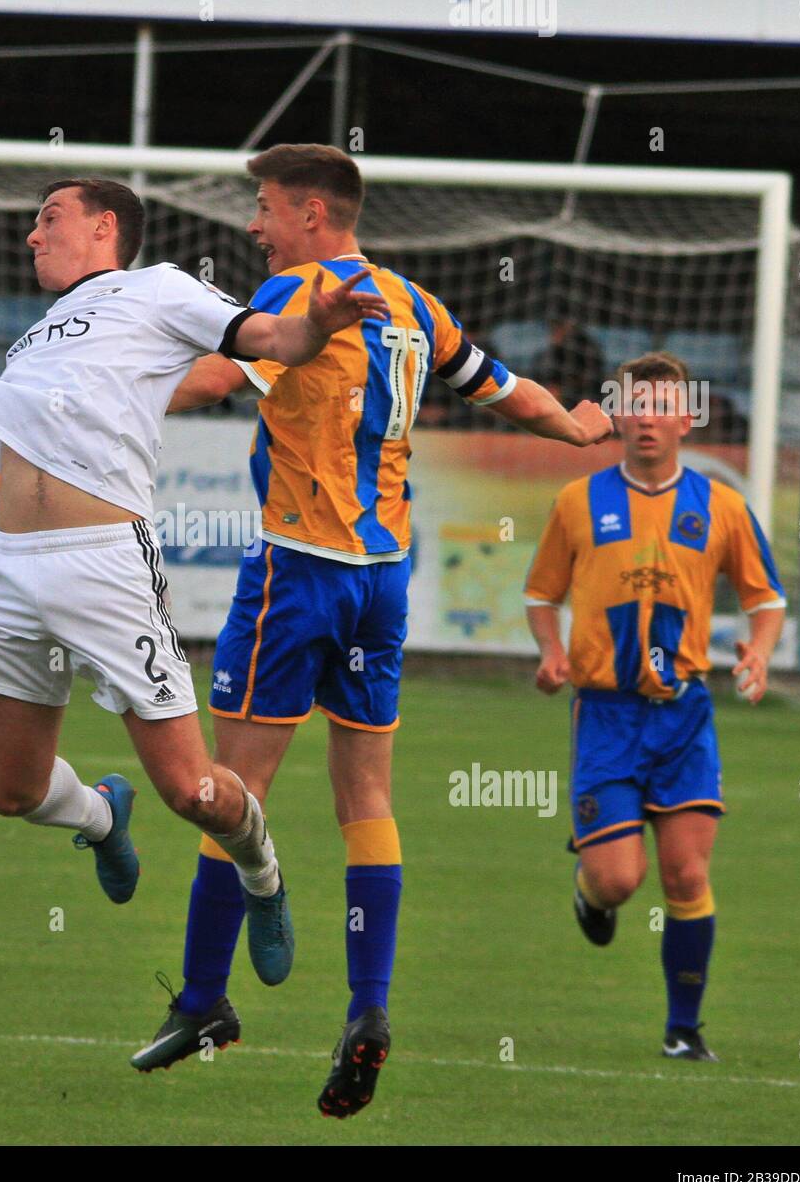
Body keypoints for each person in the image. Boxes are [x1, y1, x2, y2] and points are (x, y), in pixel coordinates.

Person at [134, 143, 613, 1119]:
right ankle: (366, 1007)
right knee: (365, 795)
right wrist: (573, 425)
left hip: (296, 573)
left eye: (265, 207)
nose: (254, 225)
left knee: (226, 790)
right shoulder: (413, 303)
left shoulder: (298, 290)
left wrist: (103, 384)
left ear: (312, 214)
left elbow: (214, 382)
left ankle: (203, 998)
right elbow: (506, 387)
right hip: (383, 579)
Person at [0, 177, 390, 994]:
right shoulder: (34, 340)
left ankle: (262, 873)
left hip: (104, 561)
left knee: (193, 789)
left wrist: (314, 324)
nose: (32, 236)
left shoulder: (158, 288)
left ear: (106, 226)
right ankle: (104, 814)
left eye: (49, 218)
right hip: (12, 569)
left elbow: (270, 340)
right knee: (13, 792)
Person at [524, 351, 786, 1061]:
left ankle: (683, 1028)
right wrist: (551, 651)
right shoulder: (578, 501)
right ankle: (592, 890)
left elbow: (766, 600)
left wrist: (757, 652)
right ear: (618, 414)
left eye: (660, 406)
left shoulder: (721, 506)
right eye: (634, 405)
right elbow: (541, 594)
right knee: (619, 878)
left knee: (686, 875)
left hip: (684, 716)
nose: (645, 417)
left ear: (686, 418)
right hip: (605, 715)